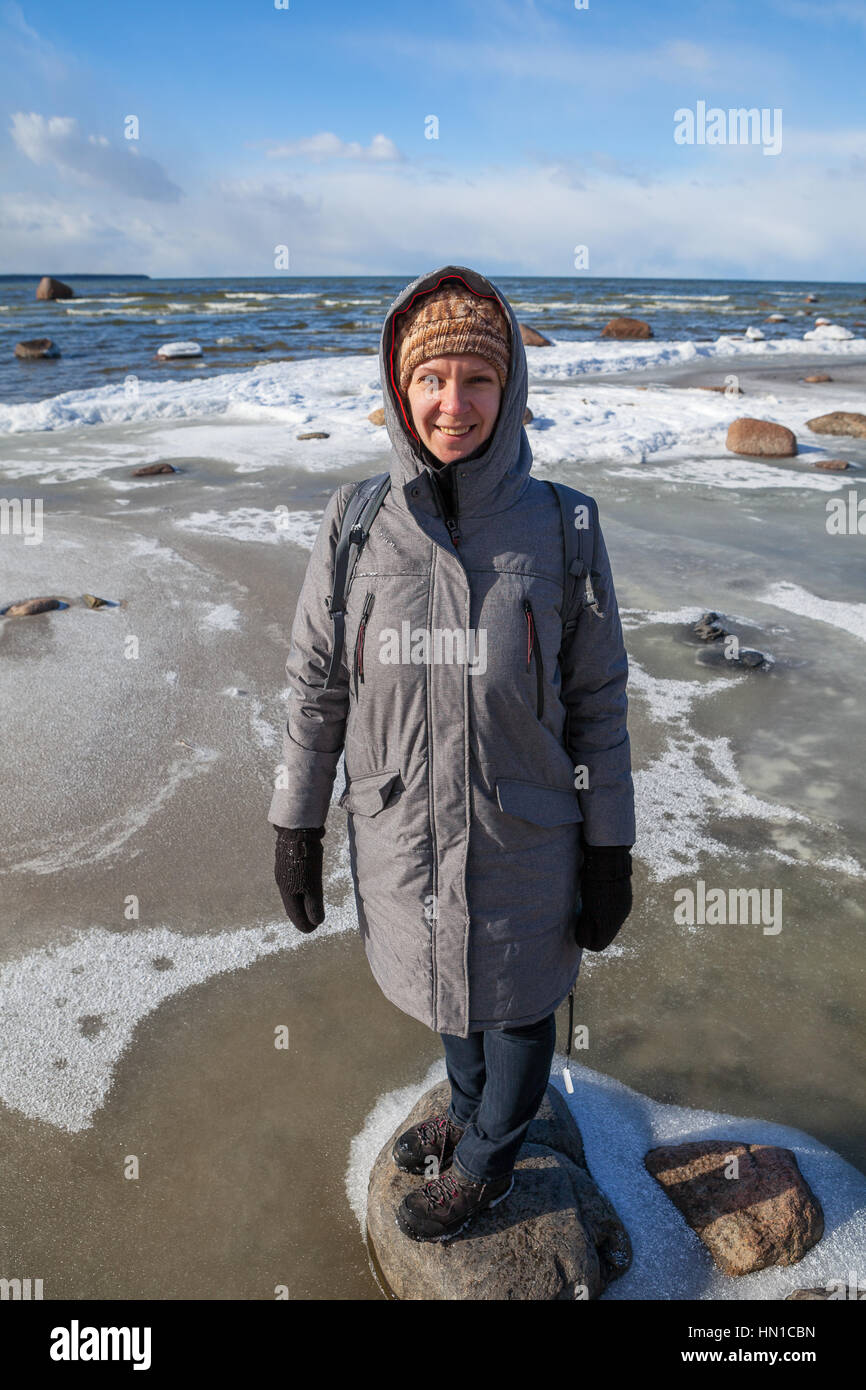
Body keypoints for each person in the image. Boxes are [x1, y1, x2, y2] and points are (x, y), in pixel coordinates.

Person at [269, 265, 635, 1243]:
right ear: (398, 386)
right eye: (431, 378)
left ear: (509, 388)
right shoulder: (353, 522)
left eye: (477, 379)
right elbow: (316, 682)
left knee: (515, 1001)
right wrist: (294, 819)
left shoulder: (564, 523)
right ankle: (469, 1107)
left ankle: (487, 1161)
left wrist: (609, 848)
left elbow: (597, 696)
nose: (452, 403)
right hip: (397, 819)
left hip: (523, 824)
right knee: (441, 978)